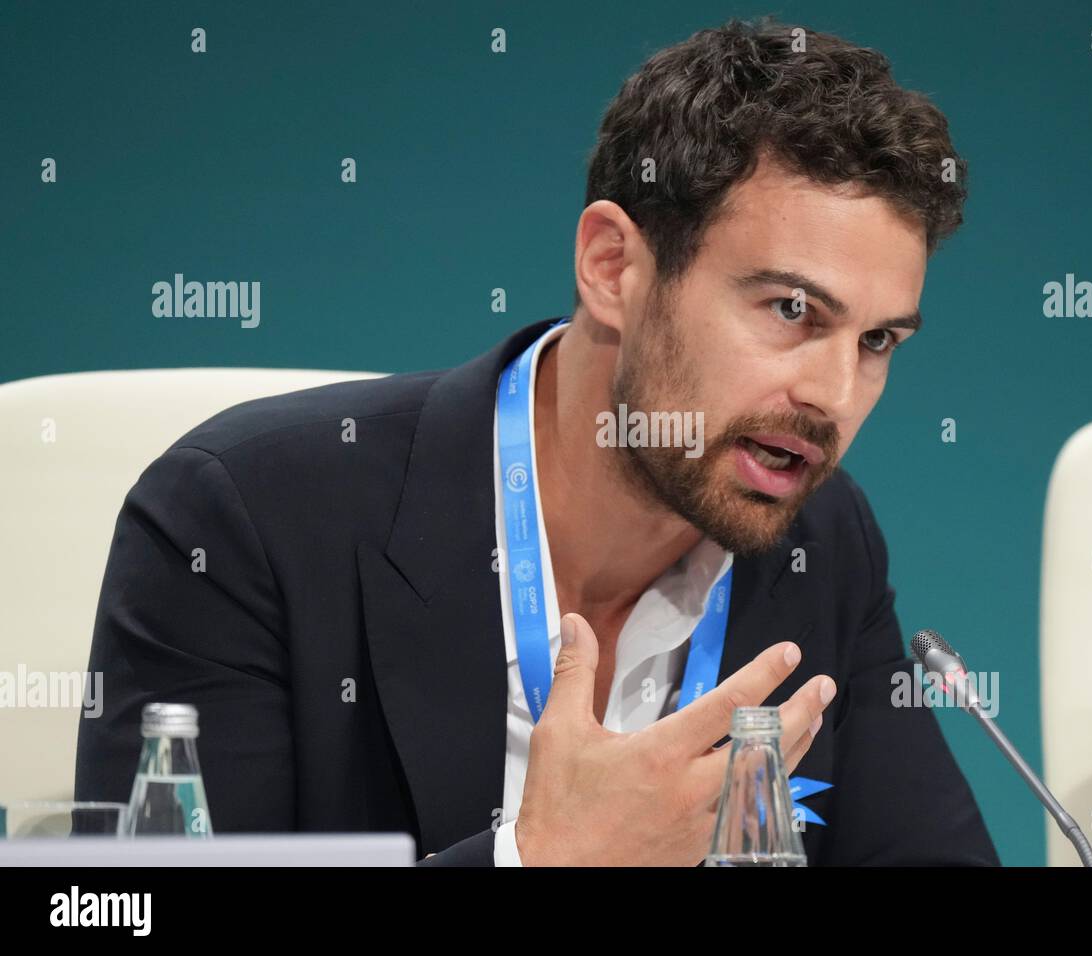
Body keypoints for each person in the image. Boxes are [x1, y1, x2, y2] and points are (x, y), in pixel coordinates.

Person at [75, 17, 998, 866]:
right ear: (613, 268)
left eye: (878, 341)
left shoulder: (821, 538)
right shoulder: (244, 517)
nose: (836, 397)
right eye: (791, 309)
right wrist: (539, 860)